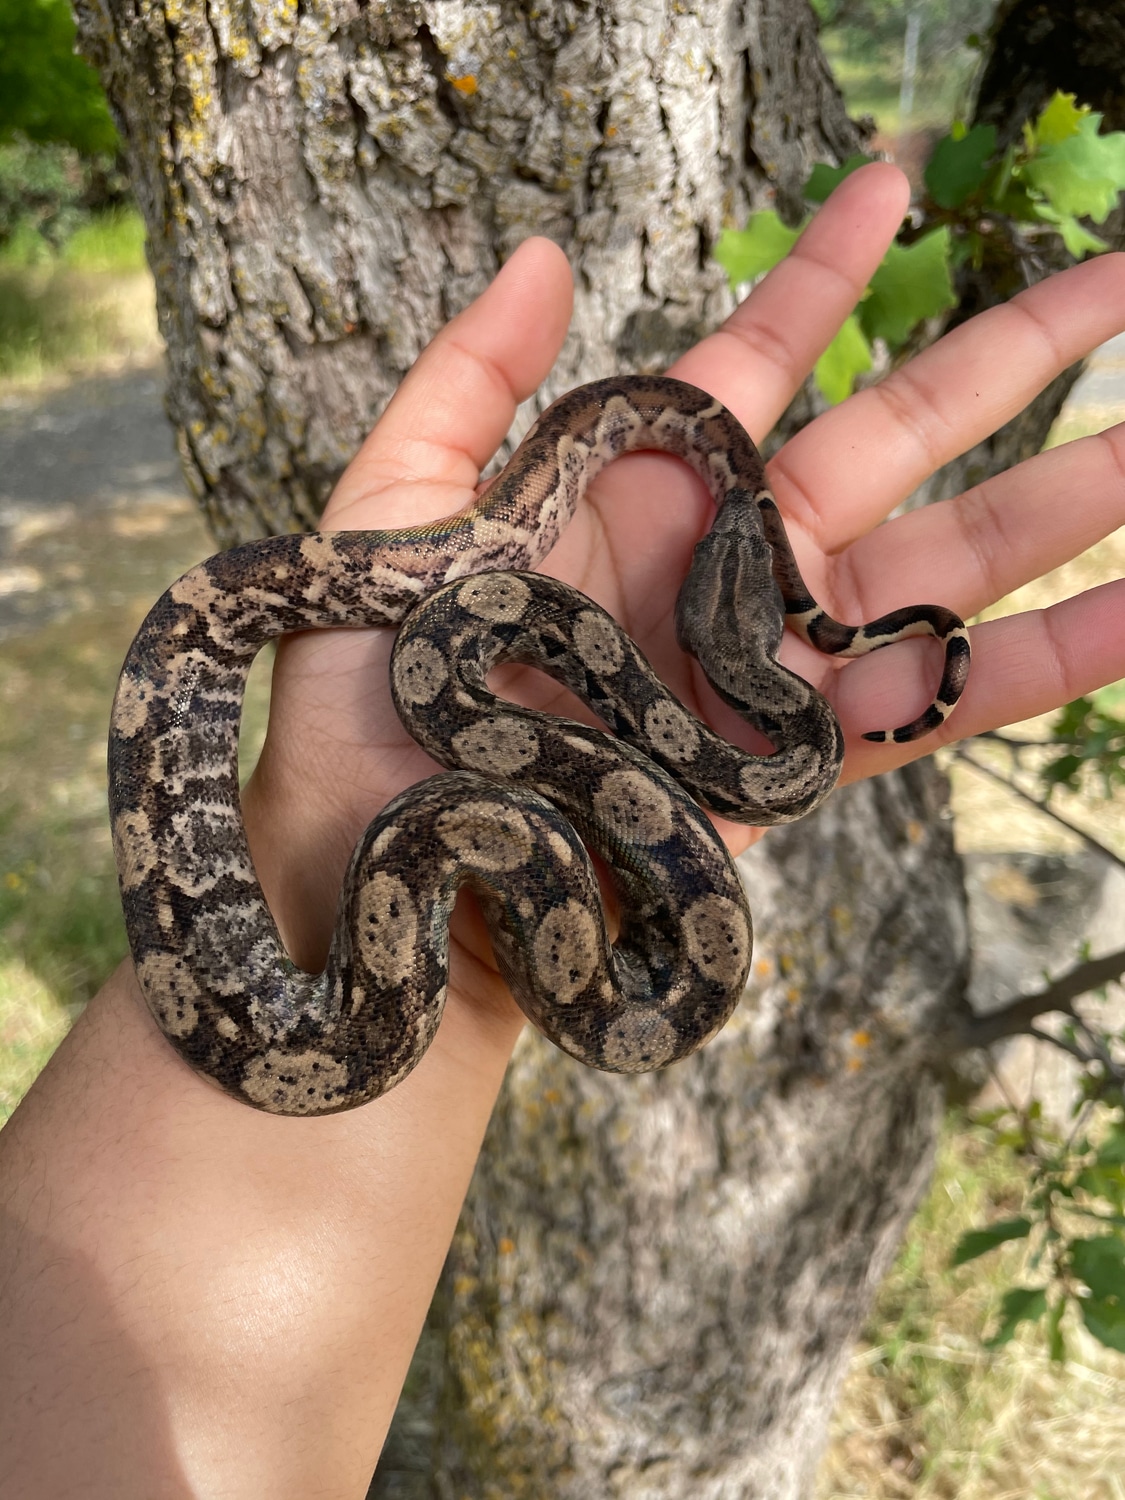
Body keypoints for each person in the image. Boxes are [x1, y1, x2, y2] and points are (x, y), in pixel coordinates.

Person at [2, 162, 1123, 1496]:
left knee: (466, 825)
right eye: (732, 562)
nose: (726, 549)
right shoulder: (602, 691)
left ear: (716, 646)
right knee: (461, 818)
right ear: (719, 653)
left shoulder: (589, 690)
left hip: (530, 842)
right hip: (525, 823)